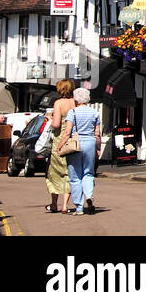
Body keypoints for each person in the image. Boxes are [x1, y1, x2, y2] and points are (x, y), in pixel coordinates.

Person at [61, 88, 101, 215]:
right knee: (88, 173)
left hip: (76, 144)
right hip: (90, 142)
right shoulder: (95, 113)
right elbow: (97, 134)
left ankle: (79, 207)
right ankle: (89, 195)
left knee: (75, 176)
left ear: (76, 99)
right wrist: (98, 148)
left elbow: (67, 132)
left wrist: (60, 145)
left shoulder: (72, 112)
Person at [45, 79, 76, 214]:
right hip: (72, 141)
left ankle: (54, 204)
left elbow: (57, 124)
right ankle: (65, 205)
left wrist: (50, 120)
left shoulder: (58, 103)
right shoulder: (75, 103)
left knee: (55, 173)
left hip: (59, 141)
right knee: (69, 172)